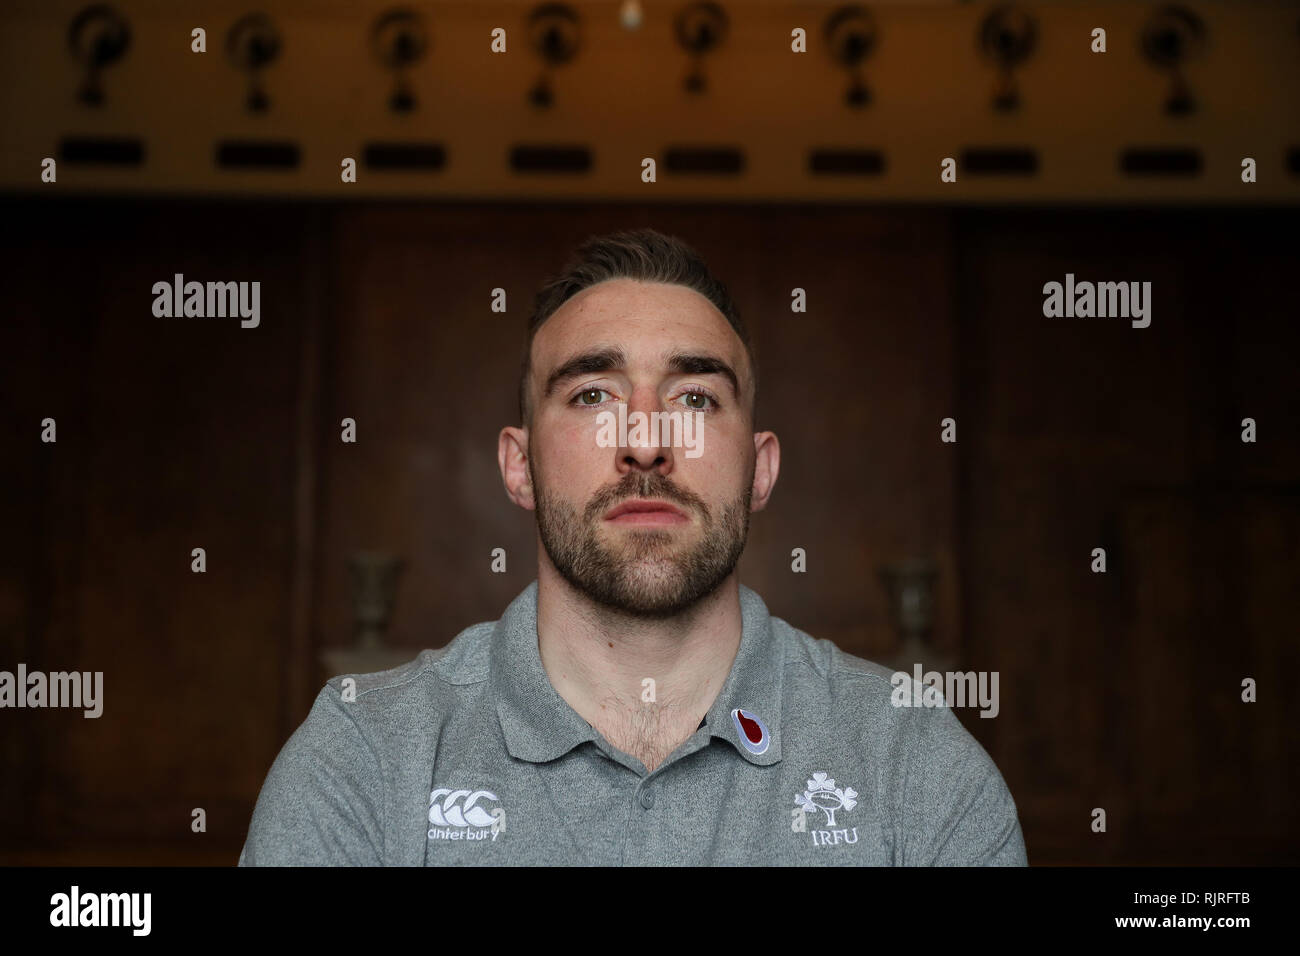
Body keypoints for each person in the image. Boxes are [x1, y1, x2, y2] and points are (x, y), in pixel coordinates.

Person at [239, 227, 1027, 866]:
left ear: (760, 469)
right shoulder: (362, 759)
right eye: (592, 395)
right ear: (520, 466)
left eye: (694, 397)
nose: (646, 441)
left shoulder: (913, 762)